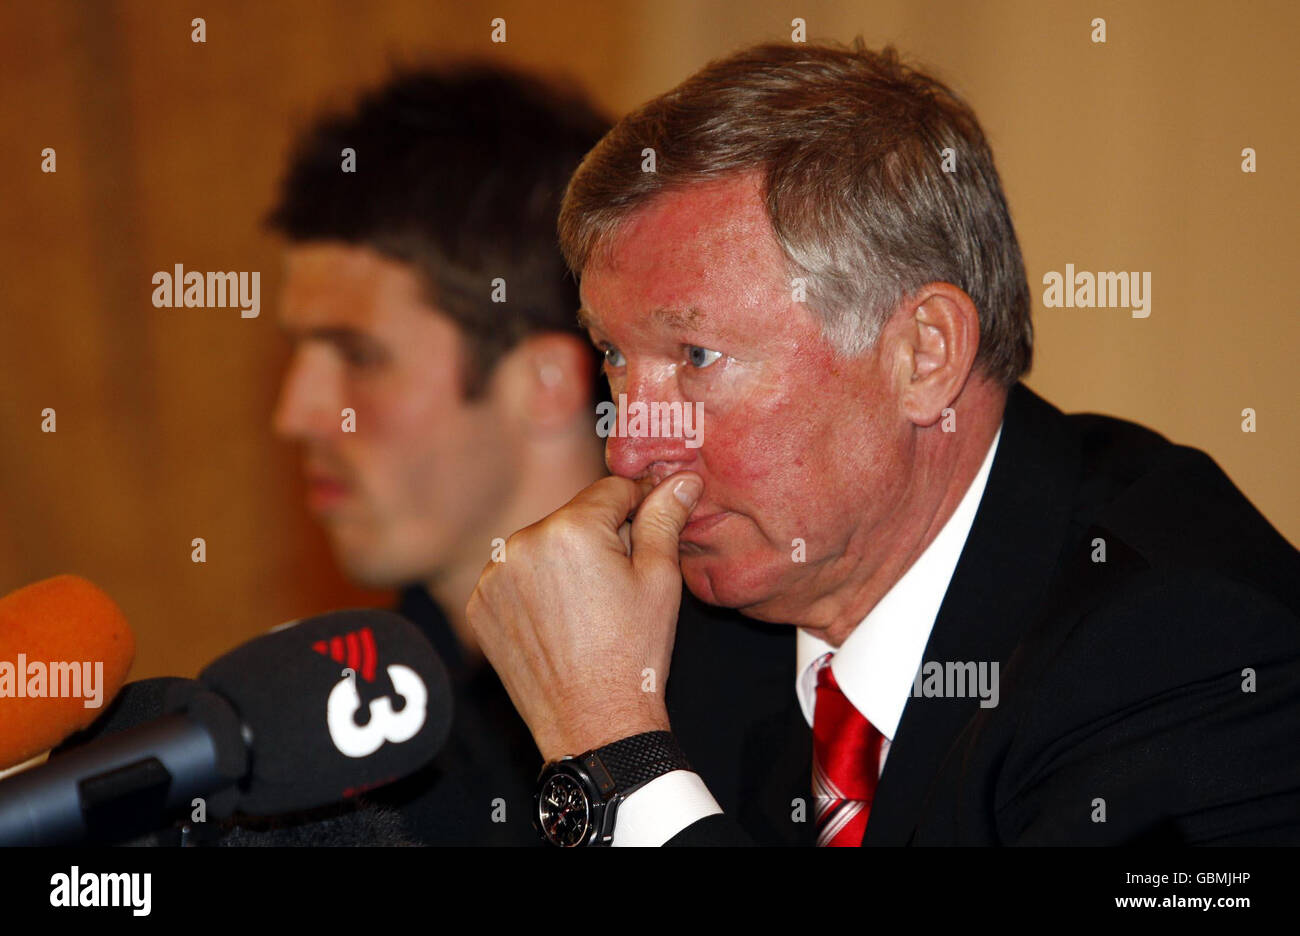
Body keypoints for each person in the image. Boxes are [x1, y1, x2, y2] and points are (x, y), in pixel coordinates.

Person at [465, 40, 1300, 846]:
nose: (630, 451)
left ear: (924, 355)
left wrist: (619, 754)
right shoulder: (666, 627)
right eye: (613, 354)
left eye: (696, 357)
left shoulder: (1185, 647)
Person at [268, 64, 610, 844]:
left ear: (548, 380)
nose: (296, 414)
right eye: (297, 355)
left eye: (358, 353)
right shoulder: (340, 717)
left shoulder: (749, 702)